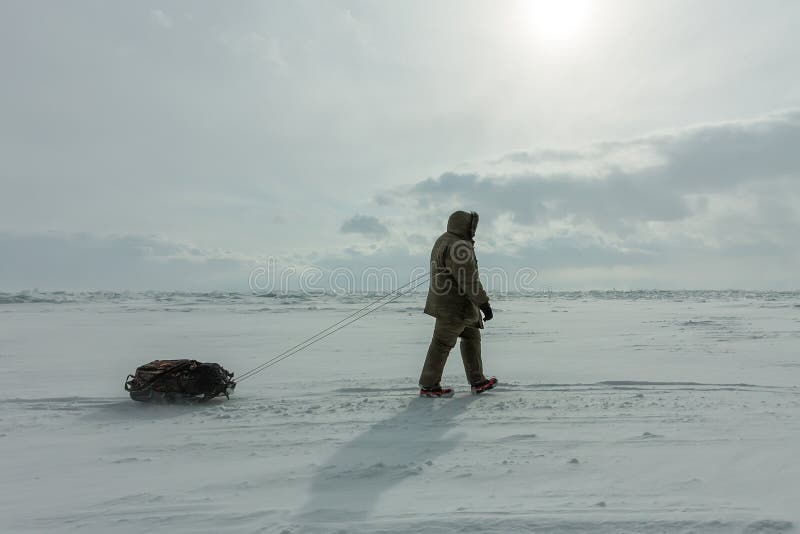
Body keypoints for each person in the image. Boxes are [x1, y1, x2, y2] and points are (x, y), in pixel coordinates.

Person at [418, 210, 497, 397]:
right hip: (454, 307)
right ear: (466, 226)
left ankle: (477, 381)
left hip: (452, 304)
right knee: (441, 344)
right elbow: (469, 280)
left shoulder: (443, 240)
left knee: (471, 337)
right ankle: (429, 386)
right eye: (473, 226)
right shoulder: (459, 246)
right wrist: (484, 304)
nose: (475, 231)